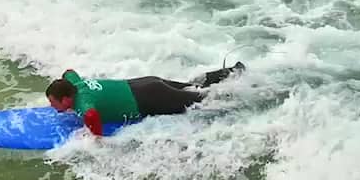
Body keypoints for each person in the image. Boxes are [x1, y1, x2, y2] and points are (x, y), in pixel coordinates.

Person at [46, 63, 245, 136]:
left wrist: (95, 138)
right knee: (193, 87)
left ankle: (246, 93)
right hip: (146, 83)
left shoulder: (82, 104)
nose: (53, 108)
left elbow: (91, 114)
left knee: (203, 100)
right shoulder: (75, 83)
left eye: (54, 103)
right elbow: (69, 71)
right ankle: (233, 72)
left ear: (66, 99)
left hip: (149, 99)